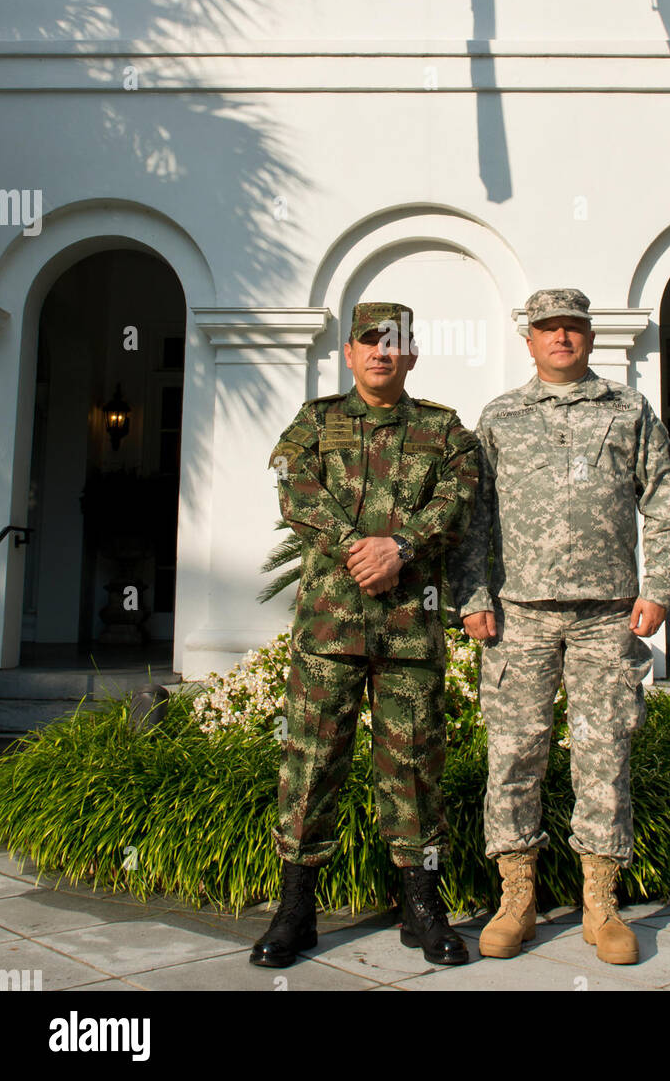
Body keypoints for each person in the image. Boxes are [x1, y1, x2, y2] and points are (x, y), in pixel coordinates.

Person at [450, 288, 670, 966]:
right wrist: (473, 594)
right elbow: (474, 516)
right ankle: (516, 898)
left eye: (573, 328)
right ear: (528, 339)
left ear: (589, 337)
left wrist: (659, 587)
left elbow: (667, 501)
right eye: (547, 328)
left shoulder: (629, 409)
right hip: (519, 619)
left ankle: (601, 903)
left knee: (604, 755)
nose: (561, 338)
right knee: (515, 756)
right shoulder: (501, 416)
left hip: (606, 616)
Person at [250, 302, 479, 970]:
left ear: (411, 355)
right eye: (369, 343)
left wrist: (402, 546)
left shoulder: (444, 429)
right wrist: (360, 548)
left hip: (410, 633)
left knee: (415, 772)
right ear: (348, 353)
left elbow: (460, 500)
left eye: (395, 344)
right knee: (311, 766)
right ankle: (296, 911)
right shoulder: (314, 423)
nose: (382, 353)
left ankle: (422, 909)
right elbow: (295, 490)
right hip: (329, 631)